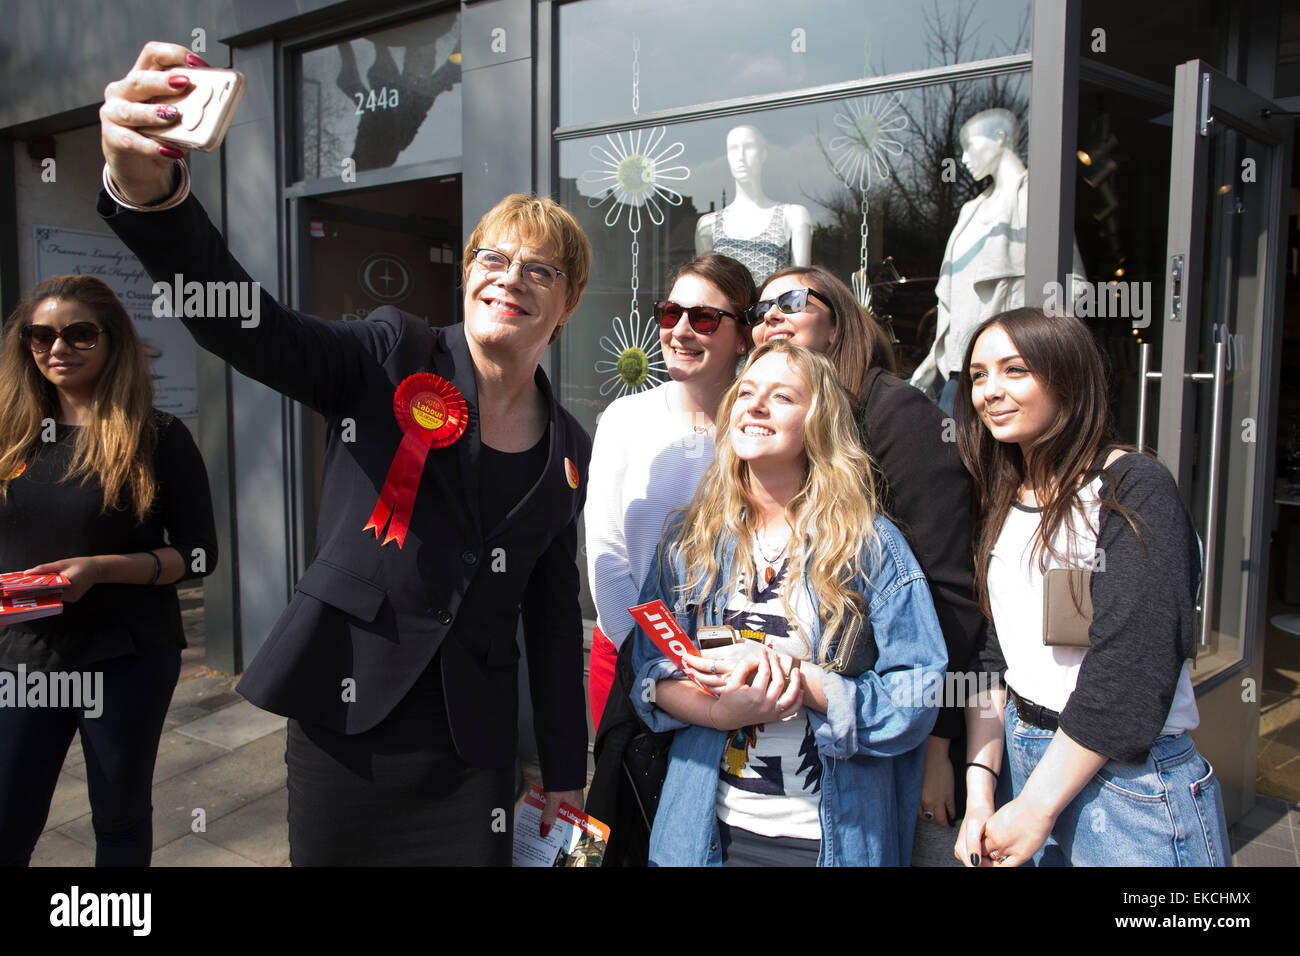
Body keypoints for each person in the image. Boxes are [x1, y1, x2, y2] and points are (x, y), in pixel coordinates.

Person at [98, 41, 592, 865]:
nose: (512, 278)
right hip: (346, 721)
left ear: (568, 303)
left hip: (474, 750)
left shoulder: (569, 449)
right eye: (494, 259)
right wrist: (149, 196)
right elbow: (245, 326)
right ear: (469, 274)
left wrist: (566, 773)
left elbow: (547, 618)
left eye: (540, 269)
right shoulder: (390, 353)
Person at [628, 340, 946, 866]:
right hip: (702, 833)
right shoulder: (691, 539)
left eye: (782, 397)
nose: (755, 405)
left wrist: (800, 680)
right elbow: (648, 673)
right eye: (747, 392)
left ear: (818, 422)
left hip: (827, 840)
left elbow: (917, 696)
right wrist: (715, 710)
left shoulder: (870, 546)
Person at [952, 308, 1231, 866]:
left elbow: (1131, 672)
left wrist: (1037, 807)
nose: (991, 391)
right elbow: (994, 650)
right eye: (979, 375)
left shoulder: (1132, 487)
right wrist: (981, 789)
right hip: (1025, 764)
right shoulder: (1002, 493)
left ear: (1068, 378)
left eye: (1015, 369)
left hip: (1129, 787)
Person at [751, 265, 981, 865]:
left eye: (793, 301)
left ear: (840, 320)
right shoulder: (778, 426)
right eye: (760, 309)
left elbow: (950, 592)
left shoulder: (897, 413)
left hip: (891, 727)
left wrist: (939, 751)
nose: (770, 315)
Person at [0, 274, 217, 866]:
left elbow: (199, 556)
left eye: (78, 333)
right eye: (39, 336)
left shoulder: (159, 436)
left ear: (112, 340)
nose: (57, 348)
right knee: (9, 811)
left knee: (118, 817)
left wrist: (101, 569)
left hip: (126, 655)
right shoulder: (11, 436)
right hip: (24, 650)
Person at [585, 253, 755, 730]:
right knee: (623, 801)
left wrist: (711, 667)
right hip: (625, 651)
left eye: (703, 318)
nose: (680, 330)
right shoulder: (624, 417)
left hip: (729, 667)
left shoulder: (759, 426)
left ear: (742, 335)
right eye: (670, 312)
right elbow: (605, 552)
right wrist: (651, 662)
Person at [696, 125, 813, 279]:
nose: (741, 156)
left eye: (749, 147)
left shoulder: (793, 216)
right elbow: (705, 287)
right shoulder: (707, 225)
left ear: (763, 154)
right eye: (733, 149)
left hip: (774, 303)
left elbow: (800, 285)